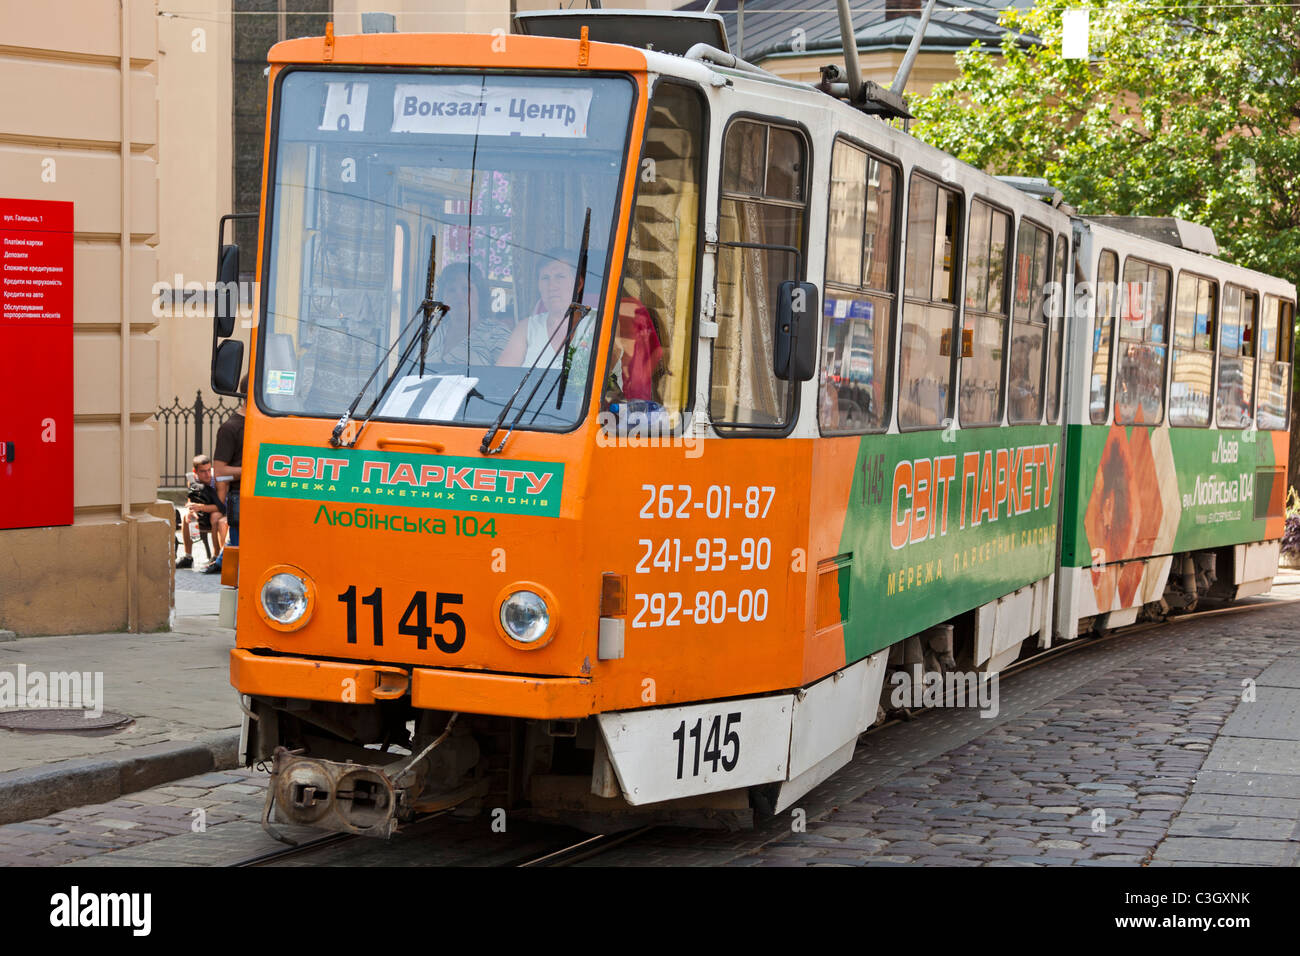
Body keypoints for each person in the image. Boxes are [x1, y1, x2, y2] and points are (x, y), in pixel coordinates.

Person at [496, 252, 596, 377]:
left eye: (560, 276)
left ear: (579, 284)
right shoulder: (526, 328)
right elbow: (501, 378)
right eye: (545, 278)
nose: (551, 286)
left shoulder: (597, 323)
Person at [428, 262, 512, 366]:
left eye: (466, 289)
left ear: (480, 295)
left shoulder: (497, 333)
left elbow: (506, 378)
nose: (458, 295)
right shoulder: (432, 333)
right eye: (451, 290)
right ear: (443, 297)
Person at [207, 374, 246, 575]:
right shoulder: (230, 428)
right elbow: (220, 471)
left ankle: (221, 562)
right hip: (241, 498)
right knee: (241, 555)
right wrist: (254, 471)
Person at [177, 454, 224, 570]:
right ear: (195, 471)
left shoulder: (217, 480)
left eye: (209, 470)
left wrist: (201, 507)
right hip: (202, 514)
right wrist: (191, 511)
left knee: (215, 516)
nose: (207, 474)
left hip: (220, 512)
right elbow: (191, 501)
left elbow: (221, 507)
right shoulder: (192, 480)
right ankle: (188, 557)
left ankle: (216, 556)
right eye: (203, 471)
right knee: (186, 517)